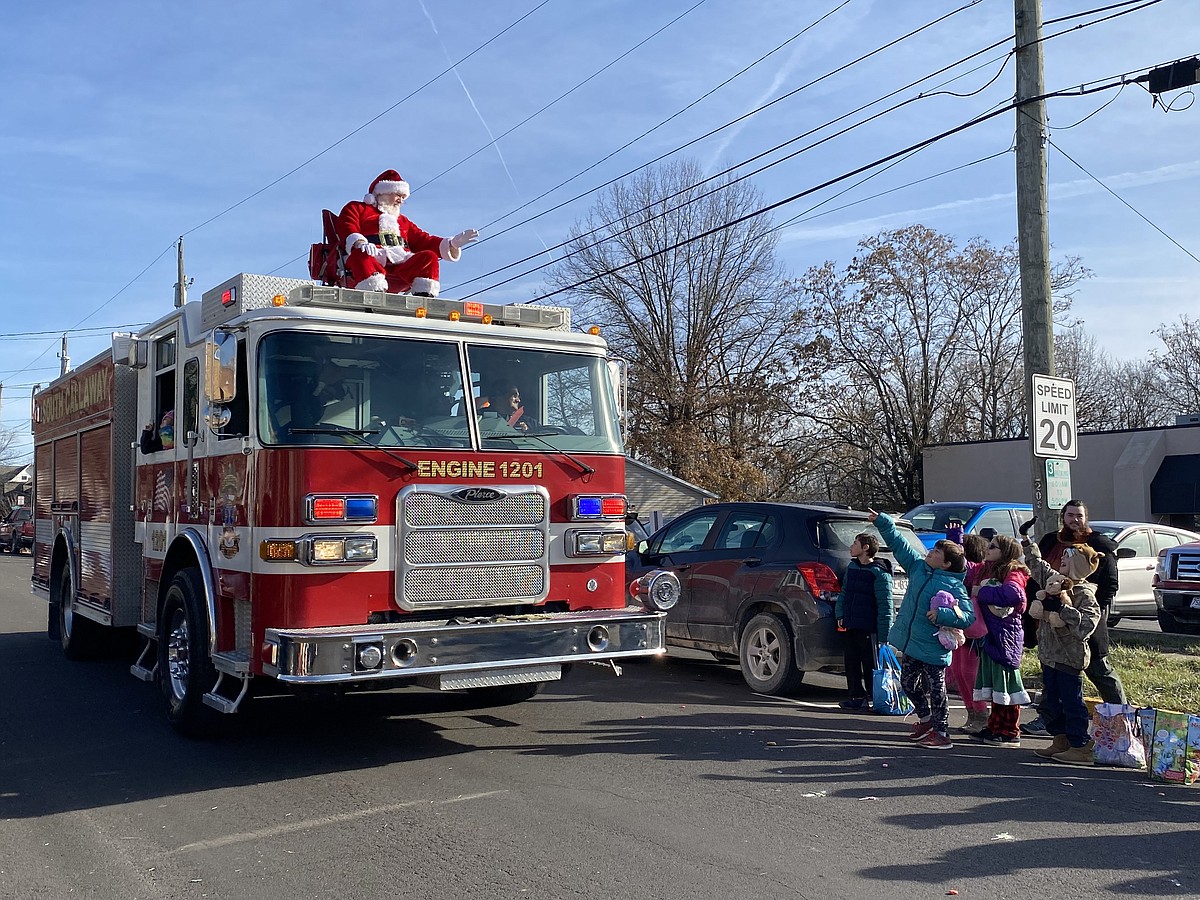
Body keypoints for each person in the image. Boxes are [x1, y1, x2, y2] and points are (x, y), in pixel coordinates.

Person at [1020, 500, 1124, 742]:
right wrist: (1025, 539)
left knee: (1097, 673)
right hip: (1053, 638)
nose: (1074, 520)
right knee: (1053, 684)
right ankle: (1057, 732)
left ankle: (1118, 717)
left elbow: (1108, 587)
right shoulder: (1053, 546)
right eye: (1070, 515)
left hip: (1080, 634)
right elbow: (1038, 567)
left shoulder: (1095, 551)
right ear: (1063, 517)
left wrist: (1071, 609)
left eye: (1079, 515)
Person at [869, 508, 973, 750]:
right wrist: (883, 522)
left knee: (937, 689)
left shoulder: (954, 585)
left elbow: (968, 617)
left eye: (936, 552)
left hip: (934, 647)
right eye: (933, 549)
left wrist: (943, 615)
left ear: (946, 564)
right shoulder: (918, 567)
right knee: (907, 684)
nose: (930, 552)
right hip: (912, 643)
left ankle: (942, 732)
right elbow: (899, 545)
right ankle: (926, 720)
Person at [335, 169, 478, 297]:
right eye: (398, 195)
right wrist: (360, 243)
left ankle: (424, 294)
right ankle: (374, 291)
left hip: (400, 262)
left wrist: (452, 244)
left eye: (403, 197)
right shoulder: (358, 208)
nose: (401, 200)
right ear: (382, 193)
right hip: (371, 257)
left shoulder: (403, 221)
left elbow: (424, 240)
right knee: (362, 256)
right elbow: (347, 226)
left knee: (429, 257)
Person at [1023, 540, 1103, 765]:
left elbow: (1086, 626)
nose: (1063, 559)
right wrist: (1028, 544)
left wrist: (1062, 609)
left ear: (1080, 566)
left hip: (1069, 658)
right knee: (1051, 703)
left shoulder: (1084, 594)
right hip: (1050, 656)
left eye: (1069, 557)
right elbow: (1038, 566)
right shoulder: (1055, 581)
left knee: (1071, 703)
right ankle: (1061, 740)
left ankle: (1081, 745)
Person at [968, 534, 1032, 746]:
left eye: (993, 546)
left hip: (1006, 635)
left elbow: (1014, 595)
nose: (988, 548)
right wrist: (955, 539)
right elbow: (965, 567)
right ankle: (995, 726)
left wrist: (982, 591)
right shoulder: (986, 568)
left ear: (1005, 552)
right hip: (991, 634)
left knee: (1007, 685)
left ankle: (1010, 730)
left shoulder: (1014, 572)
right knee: (996, 686)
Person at [834, 532, 894, 711]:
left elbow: (885, 605)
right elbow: (844, 593)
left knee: (870, 665)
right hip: (851, 624)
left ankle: (877, 698)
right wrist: (840, 615)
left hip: (869, 628)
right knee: (851, 662)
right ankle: (856, 697)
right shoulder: (852, 567)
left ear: (866, 548)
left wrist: (884, 636)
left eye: (855, 543)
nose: (851, 547)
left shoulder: (879, 573)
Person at [948, 534, 990, 732]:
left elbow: (967, 568)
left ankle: (981, 715)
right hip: (959, 625)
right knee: (957, 671)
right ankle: (971, 713)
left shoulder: (979, 569)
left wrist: (955, 542)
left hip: (973, 629)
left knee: (969, 672)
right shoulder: (965, 571)